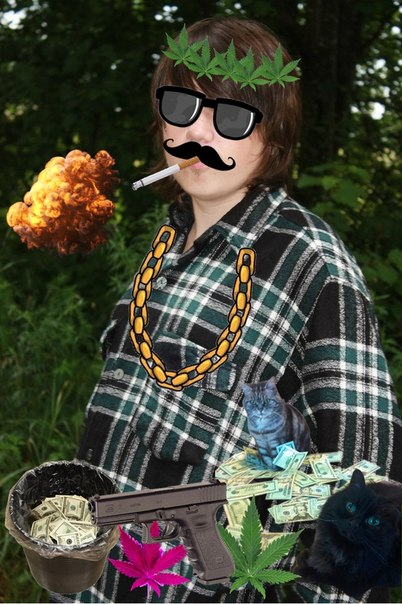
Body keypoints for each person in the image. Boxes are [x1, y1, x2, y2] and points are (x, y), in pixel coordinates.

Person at [53, 16, 401, 603]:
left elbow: (366, 510)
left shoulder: (312, 264)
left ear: (275, 137)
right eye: (182, 106)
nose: (198, 133)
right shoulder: (166, 246)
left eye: (232, 118)